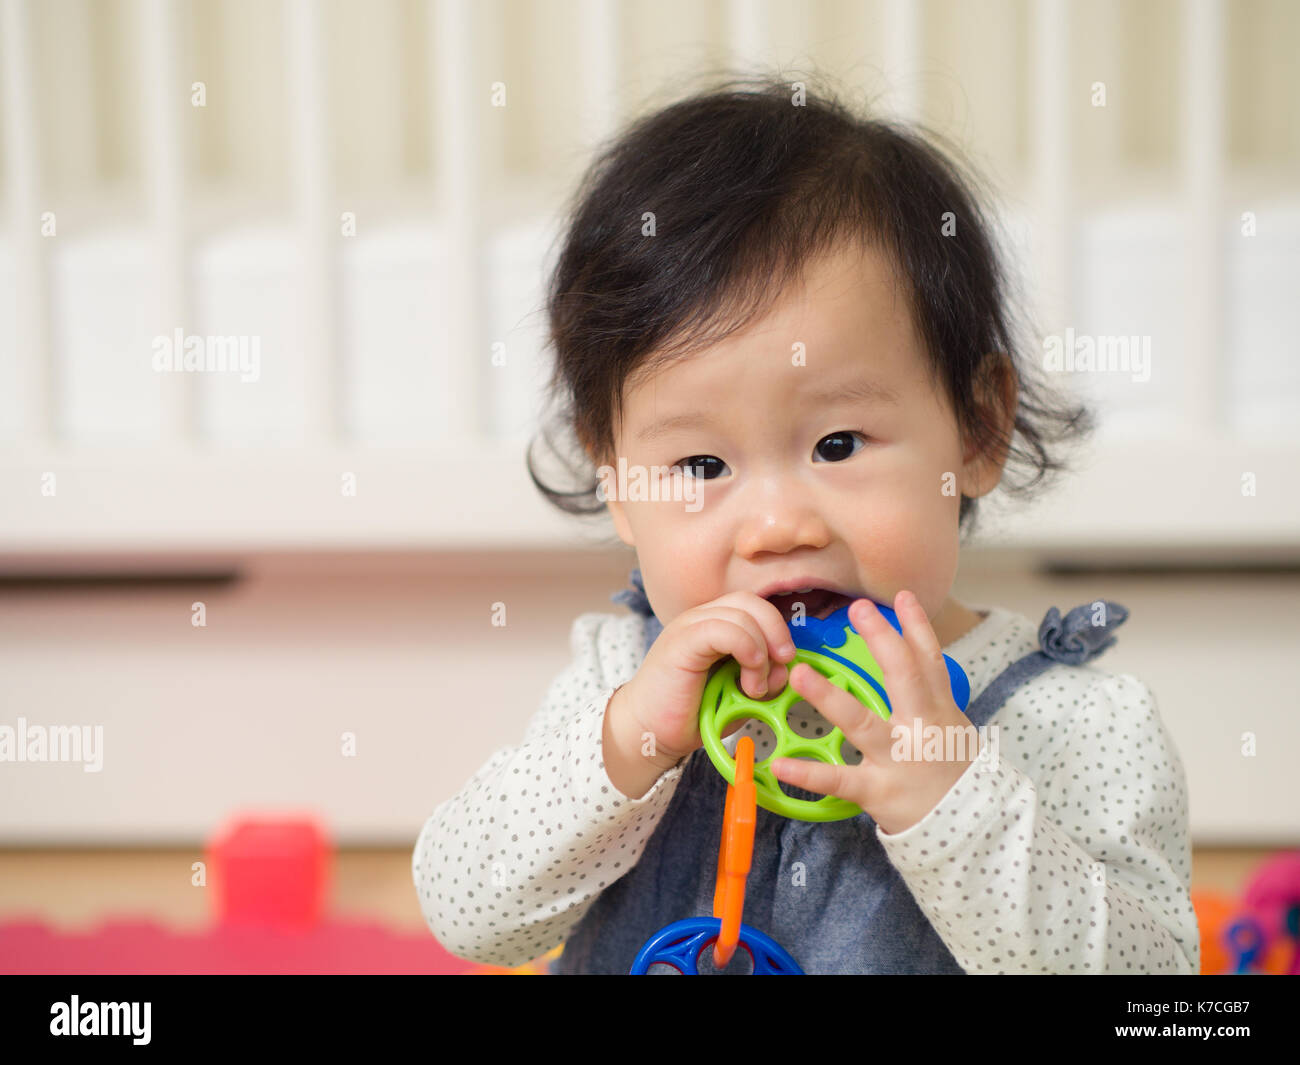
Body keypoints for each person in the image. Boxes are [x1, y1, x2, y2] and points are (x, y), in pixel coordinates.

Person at [412, 74, 1198, 974]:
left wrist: (955, 800)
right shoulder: (619, 678)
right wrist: (629, 745)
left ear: (977, 429)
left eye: (837, 442)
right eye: (702, 466)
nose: (779, 524)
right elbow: (467, 912)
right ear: (619, 483)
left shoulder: (1073, 724)